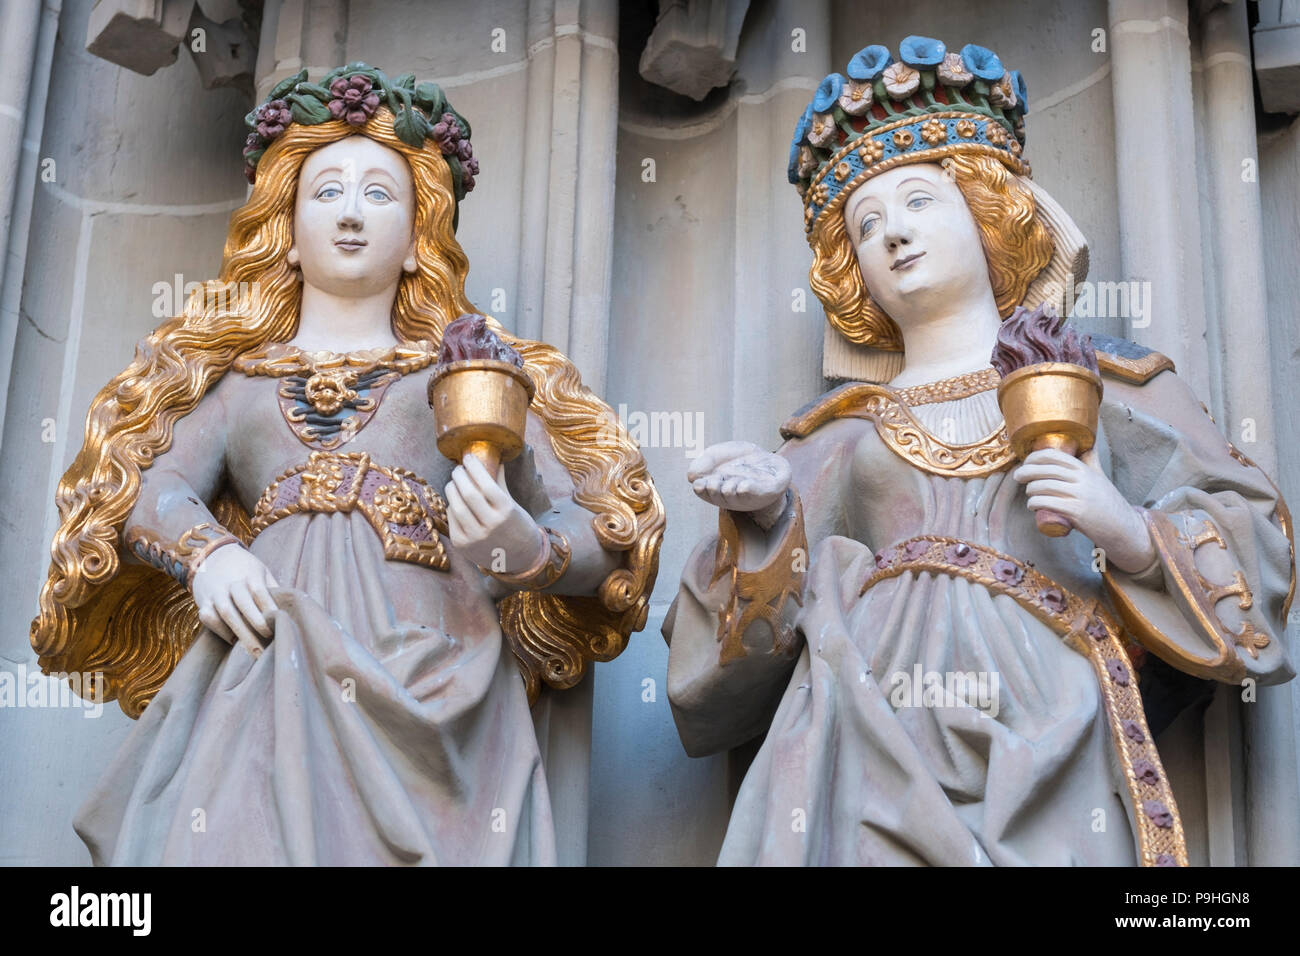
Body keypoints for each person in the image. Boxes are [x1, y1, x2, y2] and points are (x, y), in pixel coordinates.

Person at [665, 38, 1295, 866]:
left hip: (1050, 725)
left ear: (986, 209)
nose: (894, 235)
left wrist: (1129, 532)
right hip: (868, 734)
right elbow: (710, 676)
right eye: (866, 226)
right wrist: (765, 526)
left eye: (920, 201)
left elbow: (1255, 542)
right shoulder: (837, 430)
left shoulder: (1108, 383)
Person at [31, 64, 662, 866]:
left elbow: (603, 523)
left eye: (380, 194)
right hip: (271, 662)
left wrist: (528, 547)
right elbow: (146, 485)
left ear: (419, 239)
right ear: (288, 235)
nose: (353, 213)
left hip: (434, 670)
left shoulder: (467, 375)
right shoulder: (239, 383)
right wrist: (208, 553)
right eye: (327, 192)